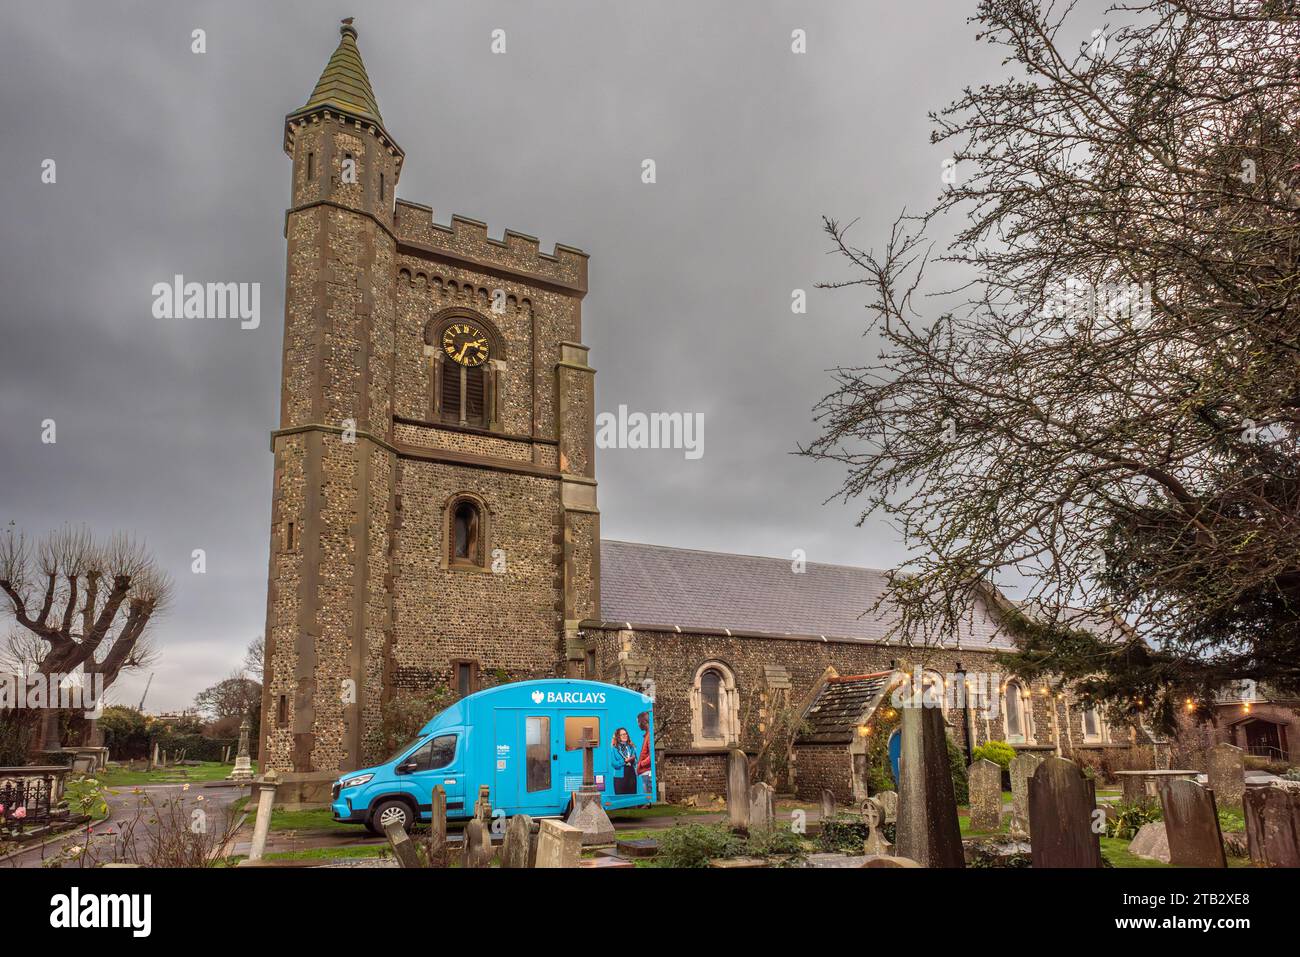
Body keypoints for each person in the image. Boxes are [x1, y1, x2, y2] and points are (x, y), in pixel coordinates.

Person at [610, 727, 638, 795]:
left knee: (631, 797)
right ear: (618, 737)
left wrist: (633, 760)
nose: (625, 736)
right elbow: (614, 764)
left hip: (631, 775)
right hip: (620, 777)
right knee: (620, 798)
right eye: (622, 734)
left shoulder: (632, 747)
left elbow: (636, 761)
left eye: (626, 734)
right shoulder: (614, 749)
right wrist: (624, 761)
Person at [635, 711, 653, 794]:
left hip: (647, 771)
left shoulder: (649, 736)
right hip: (645, 771)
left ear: (644, 722)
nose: (638, 724)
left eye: (638, 722)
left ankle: (647, 805)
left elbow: (651, 755)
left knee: (647, 796)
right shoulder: (647, 735)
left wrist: (641, 764)